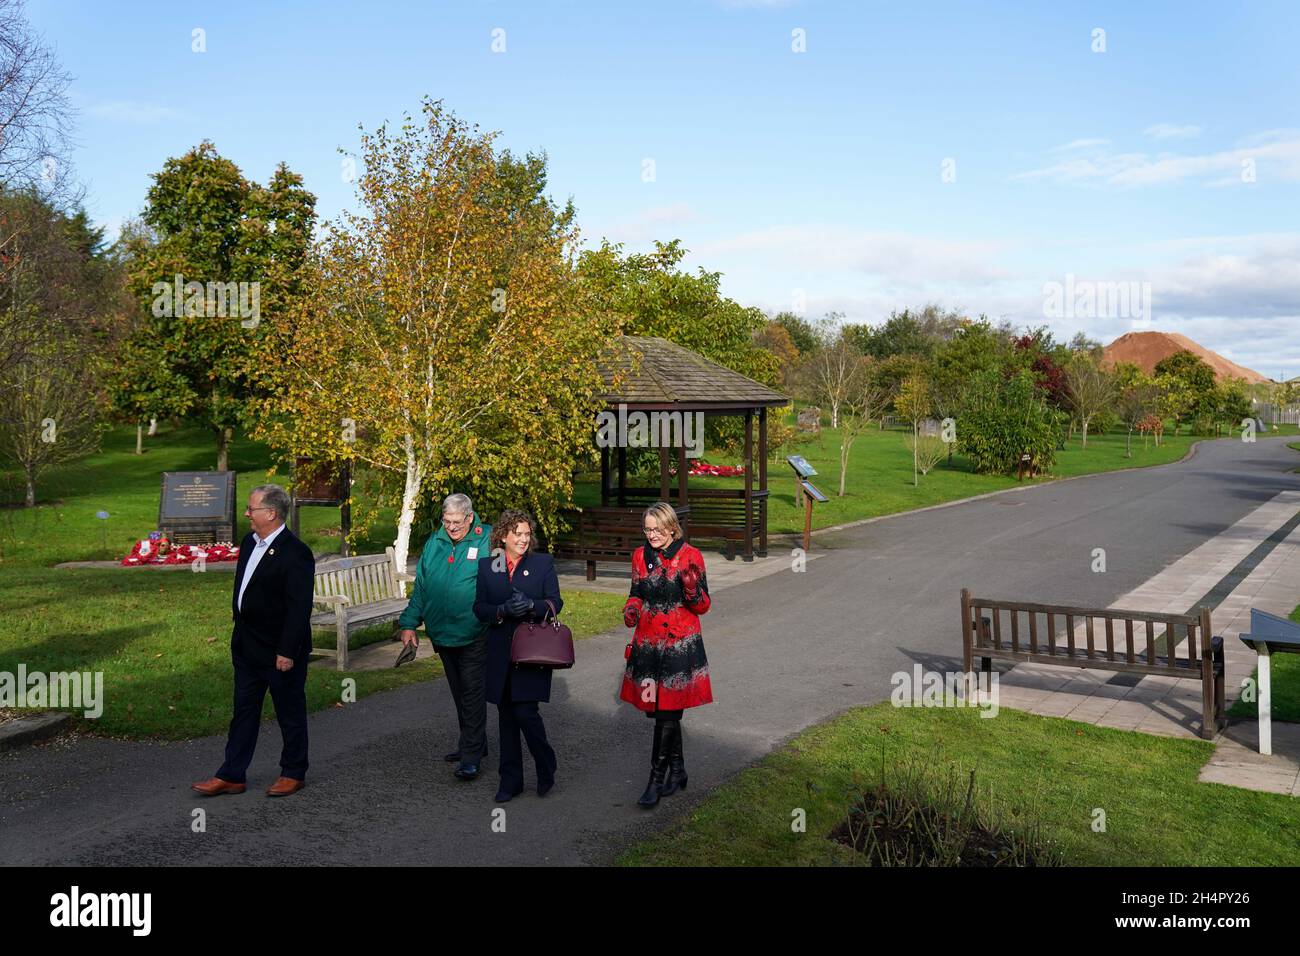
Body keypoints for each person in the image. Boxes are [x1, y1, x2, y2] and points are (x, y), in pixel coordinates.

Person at [192, 484, 315, 798]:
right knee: (243, 712)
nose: (246, 513)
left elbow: (298, 609)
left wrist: (287, 651)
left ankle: (293, 771)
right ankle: (232, 774)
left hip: (279, 651)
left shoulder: (296, 553)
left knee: (289, 711)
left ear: (271, 513)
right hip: (247, 647)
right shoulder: (249, 542)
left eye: (252, 509)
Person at [620, 501, 713, 808]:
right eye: (647, 530)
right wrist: (632, 607)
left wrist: (691, 590)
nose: (652, 536)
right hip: (648, 644)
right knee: (659, 711)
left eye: (658, 530)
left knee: (667, 712)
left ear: (672, 527)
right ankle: (679, 769)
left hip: (678, 645)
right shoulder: (639, 556)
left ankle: (655, 781)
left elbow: (702, 606)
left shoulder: (690, 556)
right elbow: (636, 591)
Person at [396, 493, 492, 781]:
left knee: (473, 692)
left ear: (470, 517)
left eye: (456, 522)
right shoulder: (435, 542)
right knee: (460, 691)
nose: (451, 528)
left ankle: (471, 756)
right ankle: (474, 743)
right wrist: (409, 623)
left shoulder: (487, 539)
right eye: (447, 521)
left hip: (475, 630)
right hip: (442, 631)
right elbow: (422, 587)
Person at [473, 509, 563, 803]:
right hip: (500, 651)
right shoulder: (489, 566)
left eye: (527, 534)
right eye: (518, 534)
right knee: (506, 717)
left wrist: (531, 606)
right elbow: (479, 608)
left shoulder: (542, 563)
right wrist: (500, 611)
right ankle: (510, 781)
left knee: (525, 711)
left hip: (531, 650)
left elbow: (555, 602)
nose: (524, 540)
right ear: (503, 536)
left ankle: (545, 761)